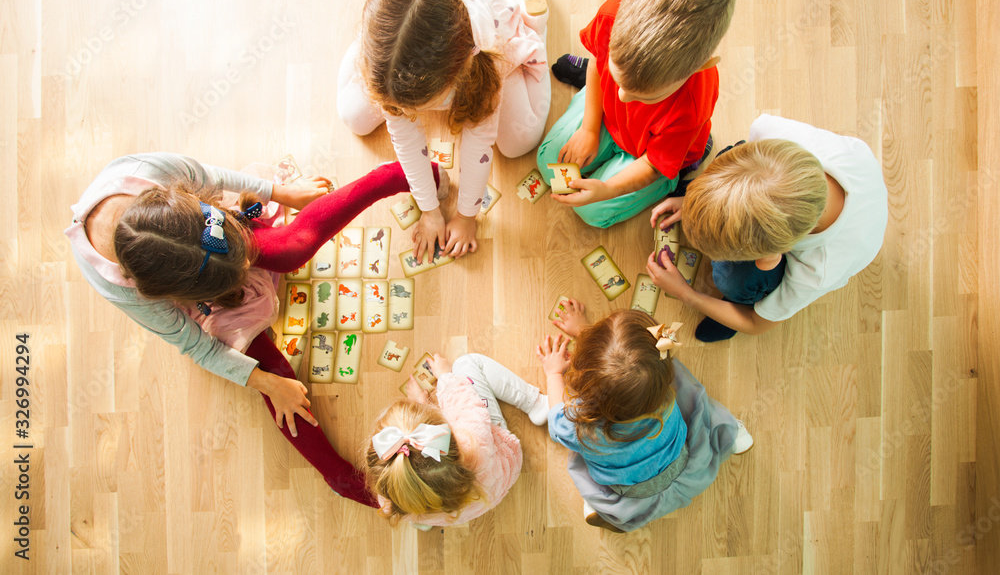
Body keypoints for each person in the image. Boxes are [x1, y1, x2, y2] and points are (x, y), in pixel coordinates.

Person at [66, 152, 445, 506]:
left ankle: (388, 176)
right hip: (202, 284)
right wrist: (266, 383)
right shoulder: (125, 291)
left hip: (214, 240)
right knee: (273, 373)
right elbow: (197, 347)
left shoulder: (152, 174)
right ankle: (337, 476)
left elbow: (212, 177)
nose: (250, 269)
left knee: (291, 248)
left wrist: (279, 193)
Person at [338, 0, 550, 260]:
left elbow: (479, 145)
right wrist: (429, 210)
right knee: (353, 117)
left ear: (457, 74)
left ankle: (534, 23)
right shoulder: (393, 80)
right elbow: (406, 140)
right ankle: (379, 21)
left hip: (493, 33)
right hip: (416, 42)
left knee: (520, 141)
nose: (409, 114)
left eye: (416, 106)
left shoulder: (483, 62)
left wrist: (466, 216)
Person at [536, 0, 736, 228]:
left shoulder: (691, 104)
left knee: (593, 212)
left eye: (643, 95)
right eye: (618, 78)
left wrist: (606, 190)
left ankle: (688, 159)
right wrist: (590, 128)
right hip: (609, 122)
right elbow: (598, 61)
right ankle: (594, 88)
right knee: (548, 163)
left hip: (652, 156)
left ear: (699, 66)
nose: (622, 96)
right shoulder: (613, 14)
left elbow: (653, 166)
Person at [647, 113, 889, 341]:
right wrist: (693, 200)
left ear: (769, 258)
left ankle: (737, 304)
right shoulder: (770, 131)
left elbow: (756, 325)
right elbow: (745, 169)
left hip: (832, 241)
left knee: (730, 278)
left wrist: (686, 294)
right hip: (803, 183)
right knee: (729, 155)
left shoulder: (816, 273)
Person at [538, 300, 752, 532]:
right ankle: (728, 433)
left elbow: (556, 415)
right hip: (682, 462)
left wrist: (554, 371)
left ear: (583, 376)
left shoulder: (580, 428)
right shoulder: (662, 391)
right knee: (694, 397)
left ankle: (601, 506)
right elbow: (667, 340)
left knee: (581, 465)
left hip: (628, 490)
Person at [362, 353, 549, 527]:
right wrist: (445, 377)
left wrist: (421, 406)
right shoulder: (472, 441)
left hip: (471, 504)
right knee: (466, 363)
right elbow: (465, 402)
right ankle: (535, 403)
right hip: (504, 466)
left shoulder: (392, 498)